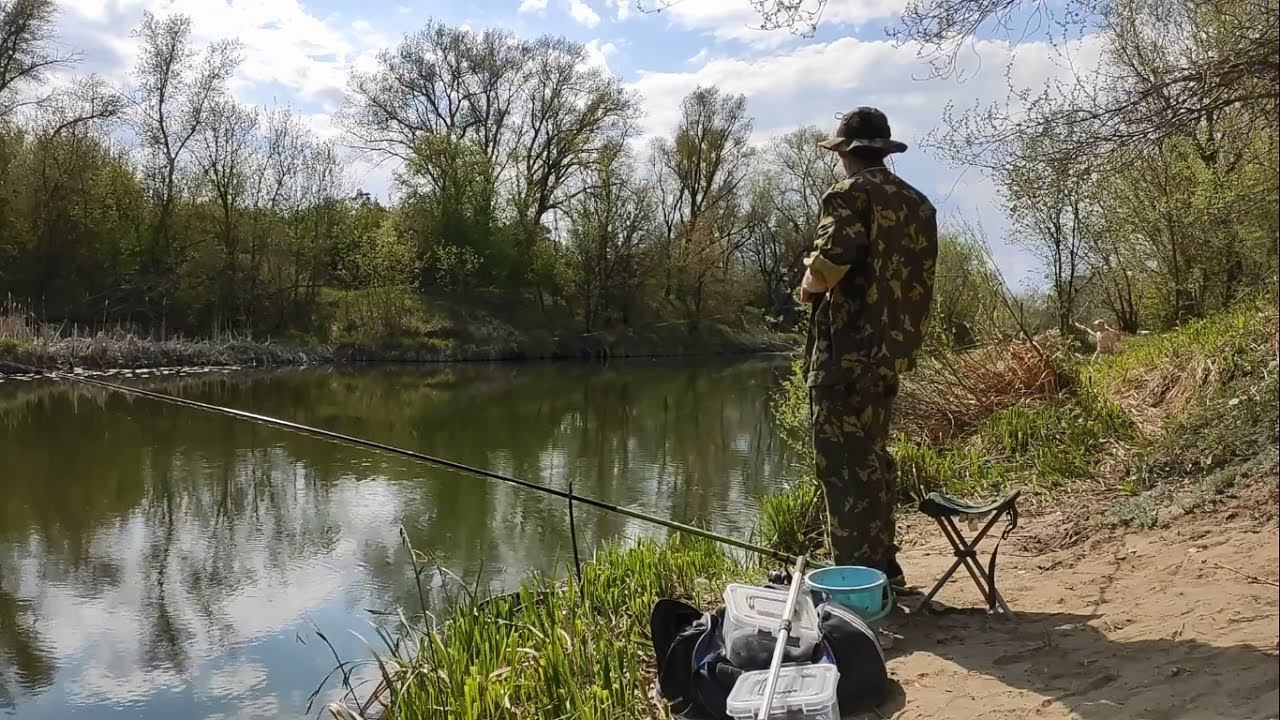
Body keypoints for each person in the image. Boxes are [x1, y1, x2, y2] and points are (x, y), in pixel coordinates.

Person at [799, 107, 938, 588]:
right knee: (872, 459)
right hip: (889, 353)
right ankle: (883, 571)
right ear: (883, 150)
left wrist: (808, 283)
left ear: (846, 153)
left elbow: (826, 268)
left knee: (841, 465)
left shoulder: (848, 194)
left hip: (845, 353)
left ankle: (854, 582)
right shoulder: (917, 203)